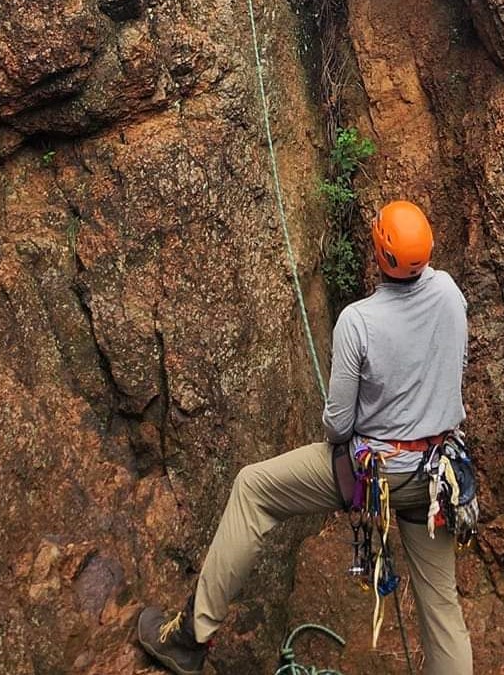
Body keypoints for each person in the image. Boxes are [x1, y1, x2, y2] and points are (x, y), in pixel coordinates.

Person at [137, 200, 474, 675]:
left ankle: (190, 638)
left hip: (376, 474)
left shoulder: (358, 321)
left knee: (253, 488)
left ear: (378, 253)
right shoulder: (450, 293)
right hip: (437, 478)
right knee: (441, 608)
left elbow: (337, 426)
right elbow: (455, 368)